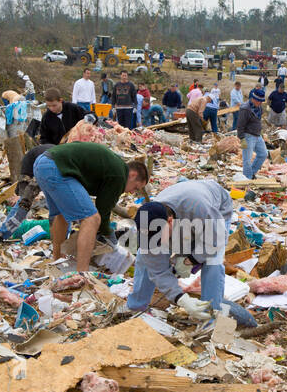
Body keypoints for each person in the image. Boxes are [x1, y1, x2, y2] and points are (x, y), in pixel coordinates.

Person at [125, 180, 256, 327]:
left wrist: (192, 259)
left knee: (212, 262)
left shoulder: (198, 208)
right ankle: (137, 307)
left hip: (216, 211)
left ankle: (209, 318)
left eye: (158, 236)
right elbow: (158, 271)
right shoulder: (148, 223)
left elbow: (215, 240)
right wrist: (182, 299)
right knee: (144, 258)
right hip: (183, 217)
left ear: (169, 221)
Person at [33, 141, 148, 272]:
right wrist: (112, 241)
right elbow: (103, 211)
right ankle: (82, 273)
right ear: (132, 175)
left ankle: (58, 261)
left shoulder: (116, 167)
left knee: (61, 215)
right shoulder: (120, 175)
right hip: (56, 167)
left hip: (43, 163)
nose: (132, 192)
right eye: (135, 187)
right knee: (92, 219)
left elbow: (103, 206)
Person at [0, 143, 56, 241]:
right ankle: (2, 232)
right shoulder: (39, 165)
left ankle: (60, 235)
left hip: (48, 162)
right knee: (23, 202)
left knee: (55, 202)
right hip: (34, 162)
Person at [238, 86, 268, 179]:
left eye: (261, 102)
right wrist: (241, 138)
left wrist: (261, 132)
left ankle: (252, 172)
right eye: (259, 101)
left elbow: (258, 120)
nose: (260, 103)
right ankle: (247, 178)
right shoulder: (245, 109)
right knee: (247, 160)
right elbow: (240, 125)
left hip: (257, 135)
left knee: (263, 154)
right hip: (248, 135)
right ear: (253, 99)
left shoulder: (259, 108)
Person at [2, 89, 32, 180]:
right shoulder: (12, 97)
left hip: (14, 98)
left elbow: (14, 108)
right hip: (11, 97)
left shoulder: (14, 98)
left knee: (15, 124)